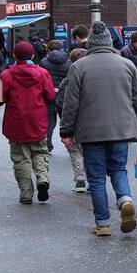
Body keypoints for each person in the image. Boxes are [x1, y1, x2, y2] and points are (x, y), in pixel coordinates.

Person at [57, 21, 137, 236]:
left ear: (91, 44)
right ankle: (125, 200)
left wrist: (66, 131)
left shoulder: (79, 67)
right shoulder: (127, 65)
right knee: (119, 169)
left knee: (95, 177)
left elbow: (71, 103)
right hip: (121, 129)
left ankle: (103, 223)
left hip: (90, 131)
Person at [0, 40, 56, 204]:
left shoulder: (5, 75)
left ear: (14, 55)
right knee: (40, 153)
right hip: (38, 121)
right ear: (33, 55)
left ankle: (26, 194)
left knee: (21, 159)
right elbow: (50, 96)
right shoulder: (43, 73)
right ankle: (42, 178)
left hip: (16, 123)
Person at [56, 46, 89, 192]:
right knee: (89, 152)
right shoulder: (91, 80)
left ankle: (80, 179)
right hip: (89, 123)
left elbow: (60, 103)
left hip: (71, 123)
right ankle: (92, 179)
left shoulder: (67, 81)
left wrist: (64, 127)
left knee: (75, 152)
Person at [39, 40, 70, 152]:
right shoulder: (68, 62)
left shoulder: (44, 62)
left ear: (49, 49)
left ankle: (48, 144)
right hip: (64, 95)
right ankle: (71, 144)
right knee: (66, 121)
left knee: (49, 122)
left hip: (49, 94)